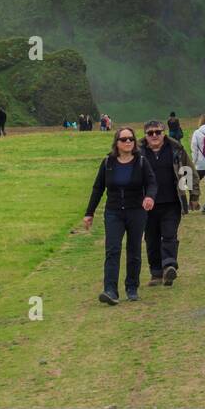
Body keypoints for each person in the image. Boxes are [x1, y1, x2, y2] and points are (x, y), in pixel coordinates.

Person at [83, 126, 157, 304]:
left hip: (136, 212)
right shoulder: (108, 163)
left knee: (134, 250)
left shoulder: (141, 162)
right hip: (113, 212)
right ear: (117, 143)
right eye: (124, 139)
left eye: (131, 138)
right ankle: (110, 290)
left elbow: (152, 182)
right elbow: (98, 188)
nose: (128, 142)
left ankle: (132, 288)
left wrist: (149, 197)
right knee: (112, 250)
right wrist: (89, 213)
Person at [140, 119, 197, 287]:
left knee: (169, 235)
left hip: (172, 202)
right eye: (150, 133)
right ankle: (156, 273)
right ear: (146, 136)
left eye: (158, 132)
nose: (155, 135)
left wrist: (192, 195)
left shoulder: (176, 149)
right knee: (151, 239)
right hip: (147, 205)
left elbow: (187, 171)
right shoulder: (138, 153)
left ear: (164, 132)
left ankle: (169, 266)